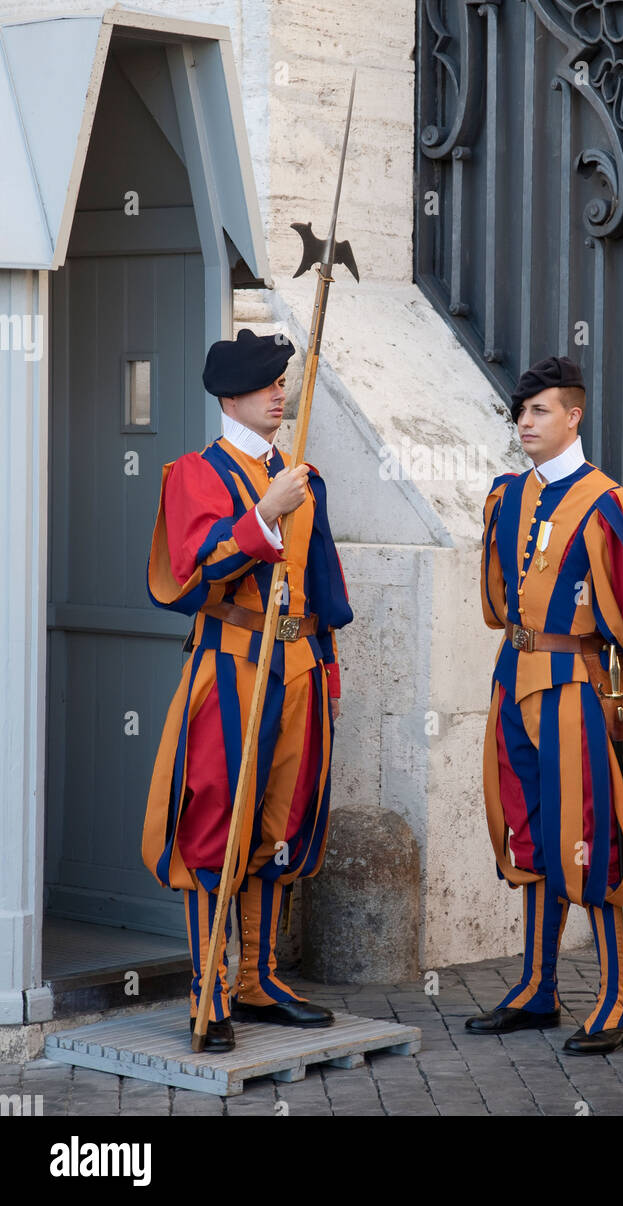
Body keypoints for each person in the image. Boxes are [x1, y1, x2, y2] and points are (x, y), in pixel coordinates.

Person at [466, 355, 623, 1053]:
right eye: (521, 412)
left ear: (574, 415)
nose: (525, 423)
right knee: (532, 834)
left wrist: (606, 639)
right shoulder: (507, 496)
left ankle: (616, 1001)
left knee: (593, 840)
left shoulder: (614, 503)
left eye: (540, 411)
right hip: (515, 677)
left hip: (582, 688)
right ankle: (539, 989)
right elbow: (496, 603)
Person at [142, 328, 352, 1051]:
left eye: (283, 380)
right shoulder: (194, 476)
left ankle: (259, 978)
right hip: (230, 664)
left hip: (296, 667)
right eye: (266, 383)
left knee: (282, 825)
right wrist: (264, 514)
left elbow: (321, 586)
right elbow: (192, 579)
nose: (280, 392)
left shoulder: (301, 473)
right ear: (230, 395)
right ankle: (208, 991)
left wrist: (326, 667)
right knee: (215, 829)